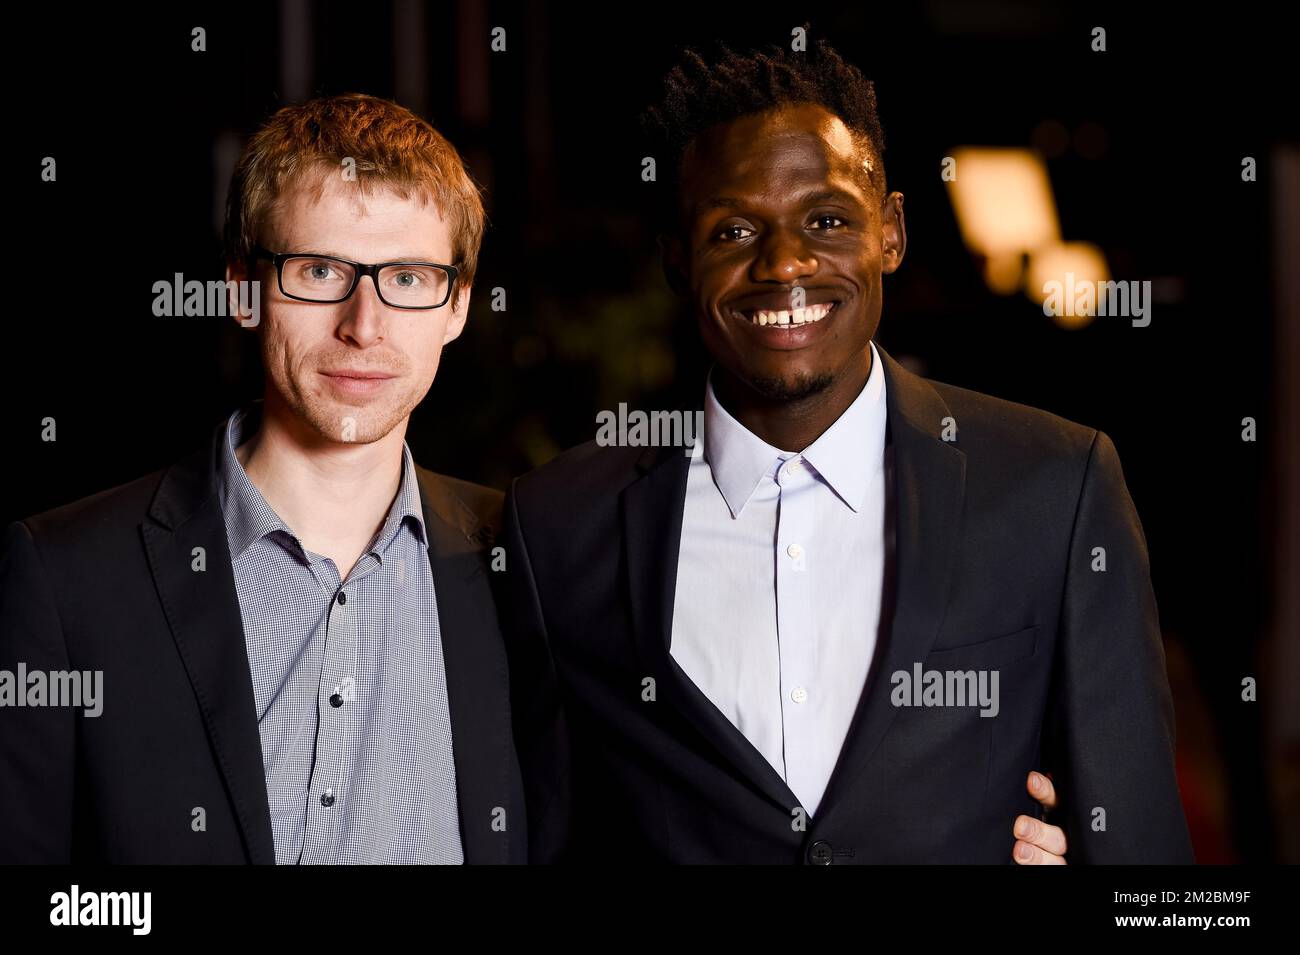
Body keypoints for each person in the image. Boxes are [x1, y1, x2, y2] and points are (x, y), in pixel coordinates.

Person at [498, 40, 1195, 864]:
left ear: (890, 233)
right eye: (734, 229)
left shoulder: (1056, 484)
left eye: (826, 221)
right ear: (678, 263)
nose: (785, 262)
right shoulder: (555, 525)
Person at [0, 94, 523, 864]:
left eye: (408, 278)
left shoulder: (526, 561)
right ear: (244, 289)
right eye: (319, 270)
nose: (364, 324)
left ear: (458, 306)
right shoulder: (65, 576)